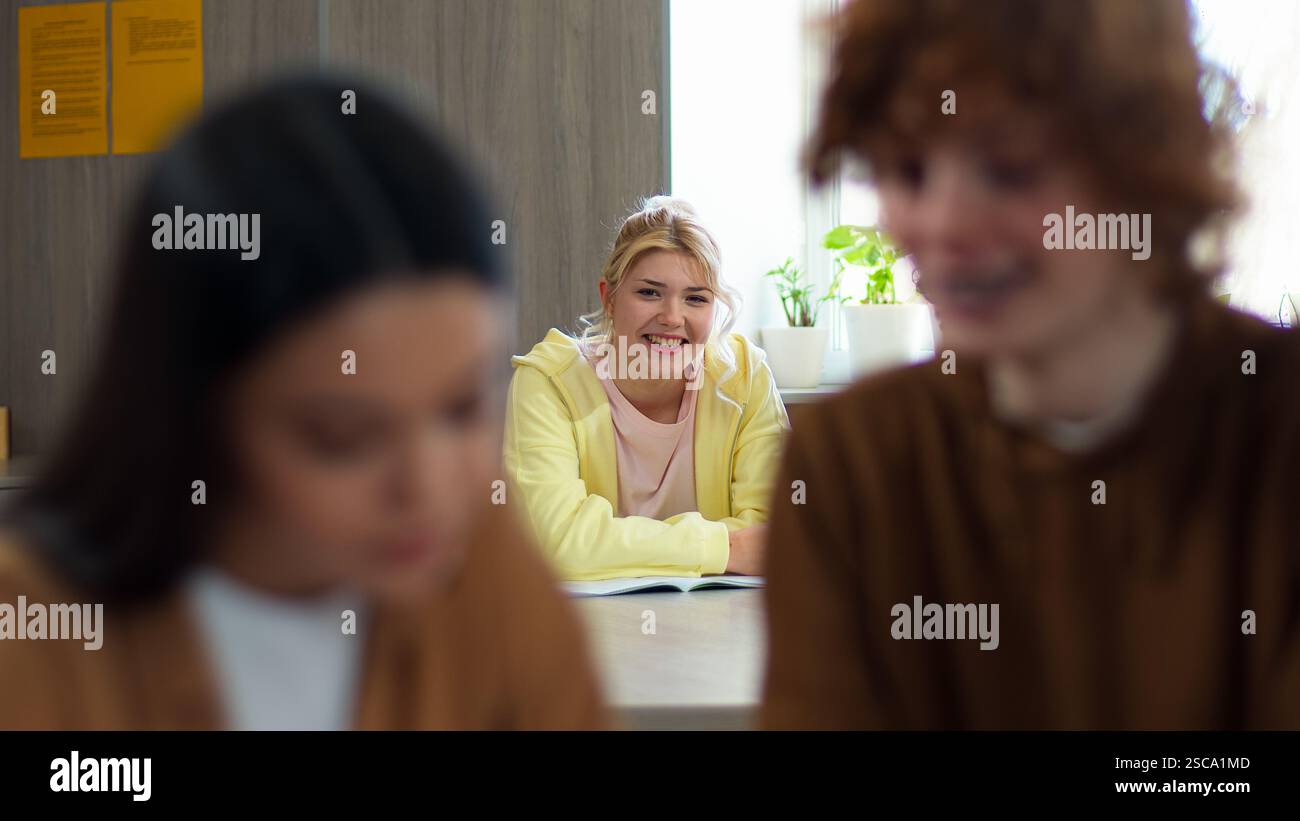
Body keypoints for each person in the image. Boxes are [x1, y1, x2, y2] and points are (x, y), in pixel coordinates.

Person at [0, 75, 605, 730]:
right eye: (343, 436)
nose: (428, 487)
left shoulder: (479, 564)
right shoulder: (36, 635)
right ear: (195, 410)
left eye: (462, 408)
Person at [761, 0, 1300, 729]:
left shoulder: (1276, 433)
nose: (945, 225)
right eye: (909, 169)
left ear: (1146, 161)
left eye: (1010, 168)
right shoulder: (851, 464)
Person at [504, 197, 788, 581]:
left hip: (719, 620)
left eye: (695, 298)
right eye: (649, 293)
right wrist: (726, 548)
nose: (672, 317)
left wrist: (608, 548)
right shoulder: (548, 381)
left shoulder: (744, 377)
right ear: (609, 297)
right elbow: (557, 544)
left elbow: (773, 538)